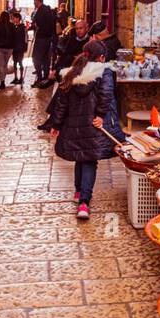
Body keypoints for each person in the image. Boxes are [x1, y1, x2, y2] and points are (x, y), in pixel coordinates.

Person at [45, 40, 123, 220]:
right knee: (88, 160)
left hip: (74, 126)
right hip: (93, 124)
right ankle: (84, 203)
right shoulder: (103, 72)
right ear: (102, 57)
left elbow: (61, 103)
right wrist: (101, 115)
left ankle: (79, 192)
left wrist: (56, 125)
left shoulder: (71, 73)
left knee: (80, 157)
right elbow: (106, 94)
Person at [30, 0, 57, 87]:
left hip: (41, 37)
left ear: (37, 1)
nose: (34, 3)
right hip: (48, 38)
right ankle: (45, 77)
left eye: (34, 1)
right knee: (45, 58)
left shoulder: (41, 10)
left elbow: (38, 23)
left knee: (35, 58)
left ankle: (40, 77)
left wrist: (34, 24)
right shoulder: (48, 9)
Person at [0, 11, 16, 89]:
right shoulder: (12, 26)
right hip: (9, 48)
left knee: (0, 66)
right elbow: (14, 37)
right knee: (4, 65)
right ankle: (3, 80)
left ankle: (2, 82)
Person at [10, 10, 28, 86]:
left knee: (20, 63)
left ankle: (21, 78)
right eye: (12, 18)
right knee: (14, 63)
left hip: (20, 48)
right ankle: (15, 77)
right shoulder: (12, 27)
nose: (13, 19)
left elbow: (26, 38)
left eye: (14, 18)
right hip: (14, 48)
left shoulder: (23, 27)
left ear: (18, 18)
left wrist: (25, 47)